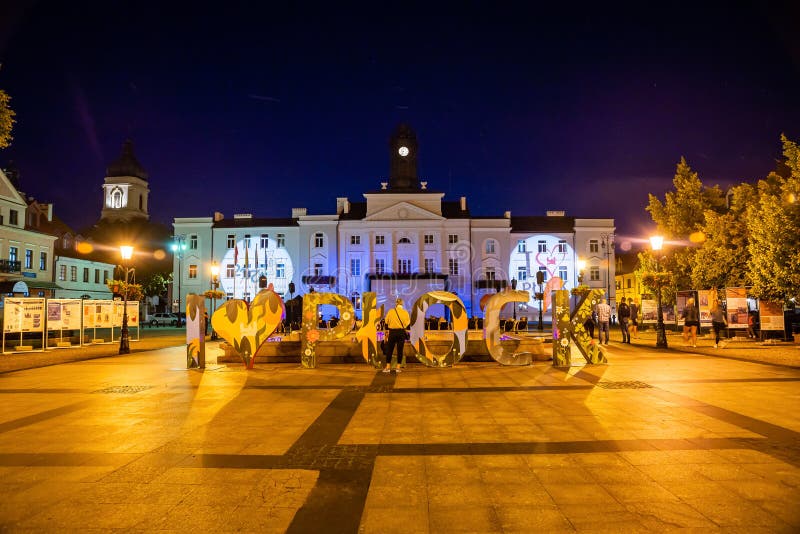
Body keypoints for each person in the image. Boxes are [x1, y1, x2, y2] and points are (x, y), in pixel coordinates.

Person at [382, 298, 411, 373]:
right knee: (400, 350)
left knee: (390, 350)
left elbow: (386, 321)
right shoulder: (405, 312)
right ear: (402, 304)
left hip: (392, 332)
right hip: (401, 332)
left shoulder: (391, 311)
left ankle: (388, 367)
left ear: (396, 304)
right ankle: (398, 367)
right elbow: (407, 323)